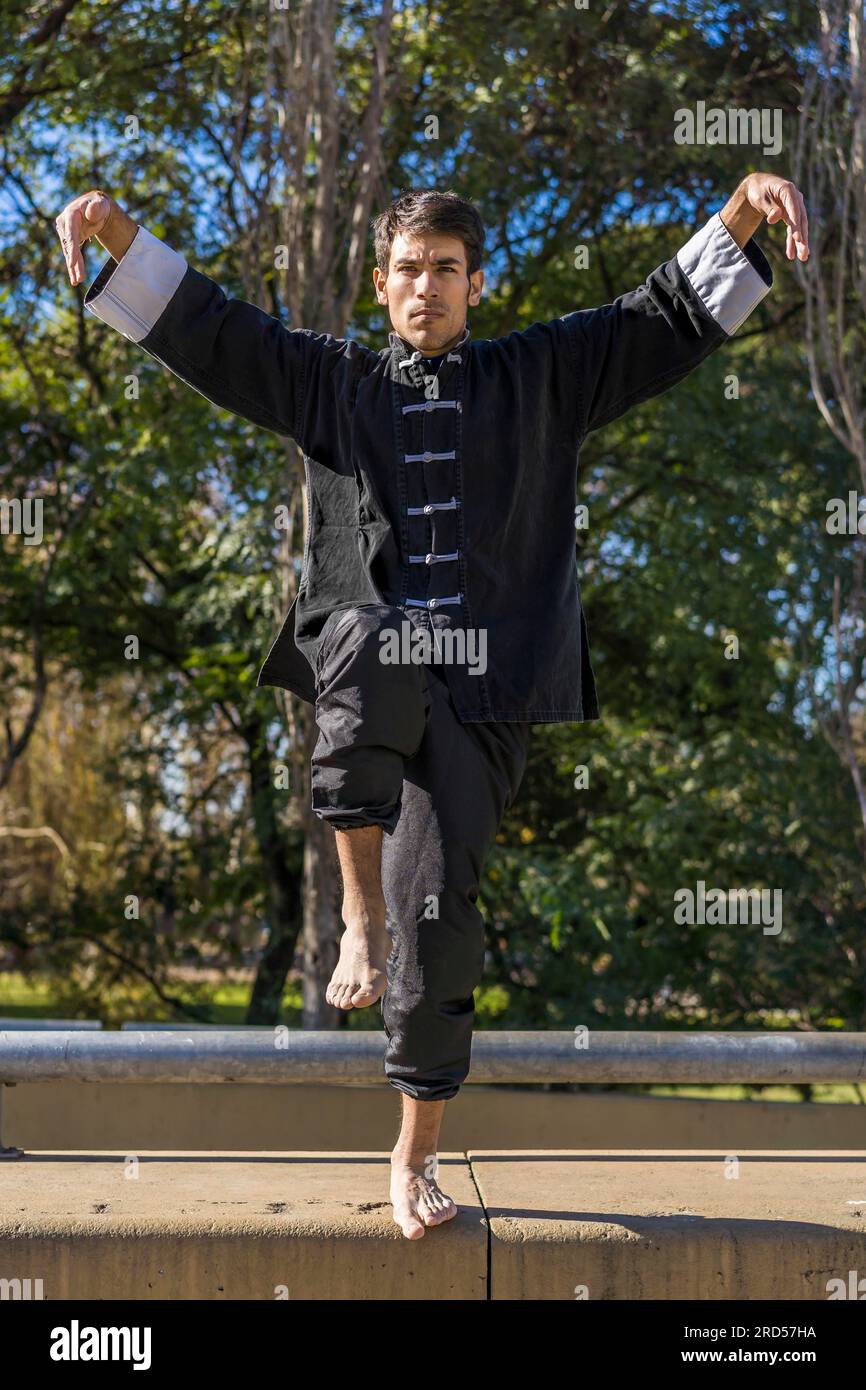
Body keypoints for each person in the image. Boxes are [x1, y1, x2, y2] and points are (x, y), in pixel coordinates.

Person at [55, 173, 809, 1240]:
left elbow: (660, 319)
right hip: (371, 680)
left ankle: (413, 1146)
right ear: (380, 283)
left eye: (444, 270)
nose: (425, 286)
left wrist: (737, 207)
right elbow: (213, 332)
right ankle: (354, 914)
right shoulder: (332, 383)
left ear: (474, 284)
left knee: (440, 921)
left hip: (488, 690)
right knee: (366, 630)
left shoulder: (540, 374)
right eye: (407, 270)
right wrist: (113, 227)